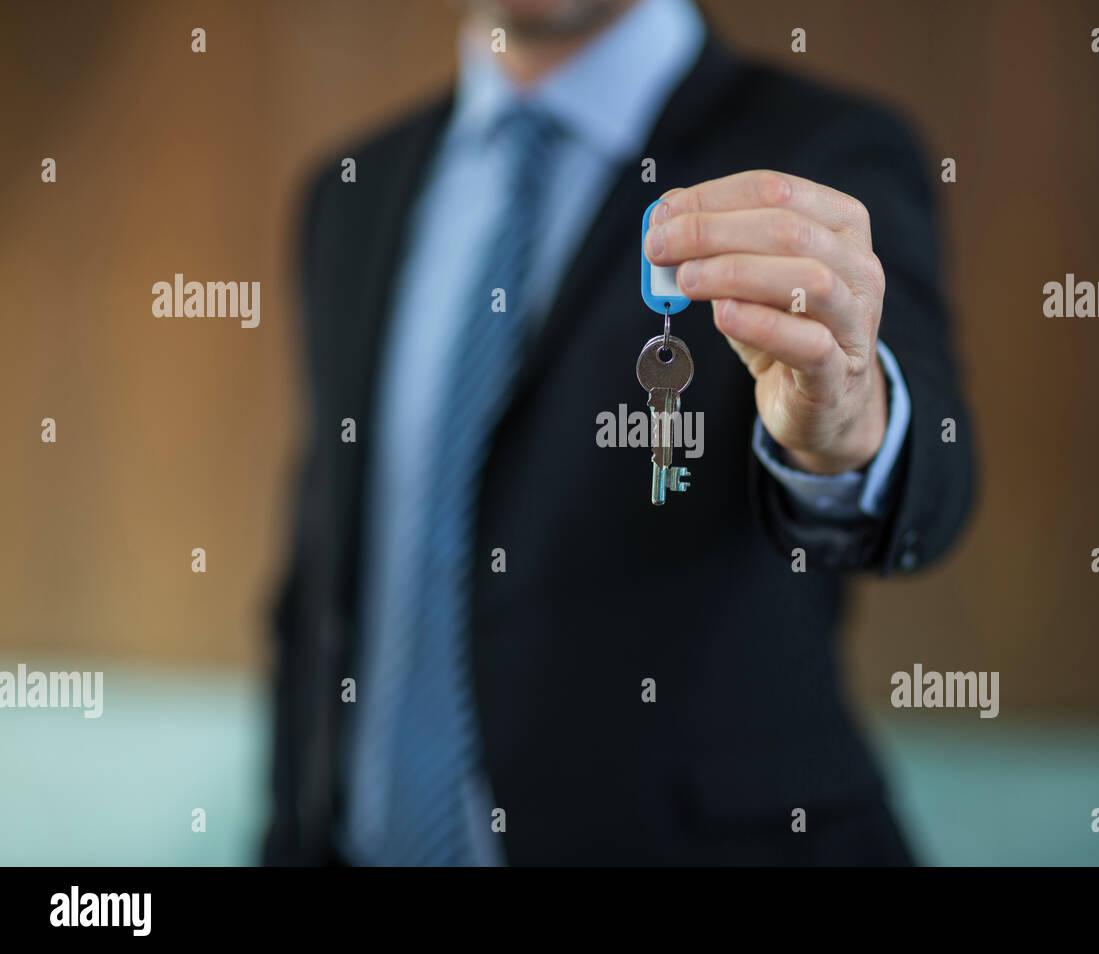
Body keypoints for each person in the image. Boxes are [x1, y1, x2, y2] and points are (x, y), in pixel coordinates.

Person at [265, 0, 974, 866]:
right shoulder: (348, 193)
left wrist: (848, 420)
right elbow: (325, 581)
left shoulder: (821, 156)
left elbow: (929, 462)